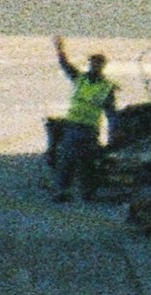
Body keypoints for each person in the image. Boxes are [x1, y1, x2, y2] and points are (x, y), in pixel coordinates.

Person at [48, 39, 116, 199]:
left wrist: (113, 133)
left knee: (86, 161)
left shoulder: (106, 87)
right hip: (73, 125)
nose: (95, 66)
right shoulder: (81, 79)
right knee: (68, 159)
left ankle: (85, 191)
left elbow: (111, 113)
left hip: (89, 129)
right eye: (93, 63)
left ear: (102, 66)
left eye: (97, 64)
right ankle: (63, 190)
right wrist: (60, 52)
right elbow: (66, 67)